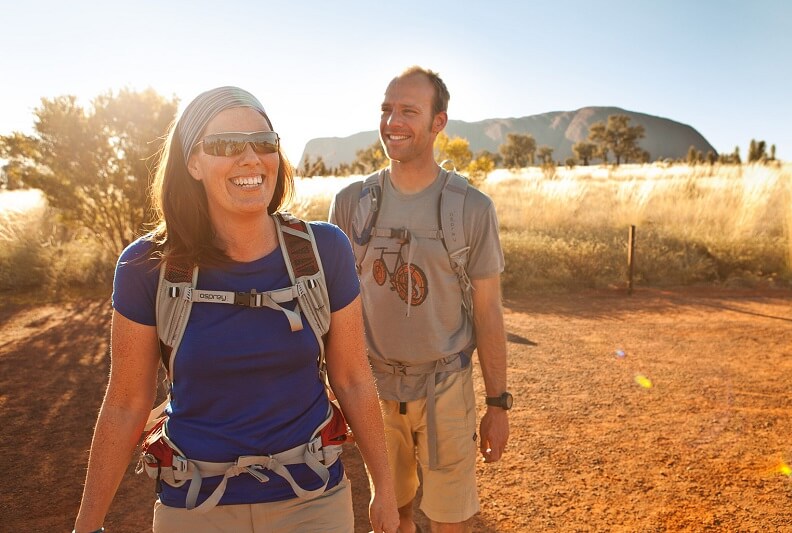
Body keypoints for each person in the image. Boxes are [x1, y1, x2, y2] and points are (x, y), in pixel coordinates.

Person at [73, 86, 399, 533]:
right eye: (227, 146)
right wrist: (87, 524)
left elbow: (353, 378)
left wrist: (384, 487)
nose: (250, 158)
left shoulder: (324, 250)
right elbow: (127, 403)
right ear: (193, 164)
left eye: (264, 143)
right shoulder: (147, 266)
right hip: (193, 507)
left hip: (313, 501)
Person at [329, 66, 511, 532]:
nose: (393, 121)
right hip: (375, 389)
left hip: (446, 387)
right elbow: (333, 307)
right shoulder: (351, 203)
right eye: (387, 110)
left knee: (451, 520)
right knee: (392, 514)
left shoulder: (471, 208)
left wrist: (497, 405)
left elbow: (489, 313)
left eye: (409, 111)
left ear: (438, 122)